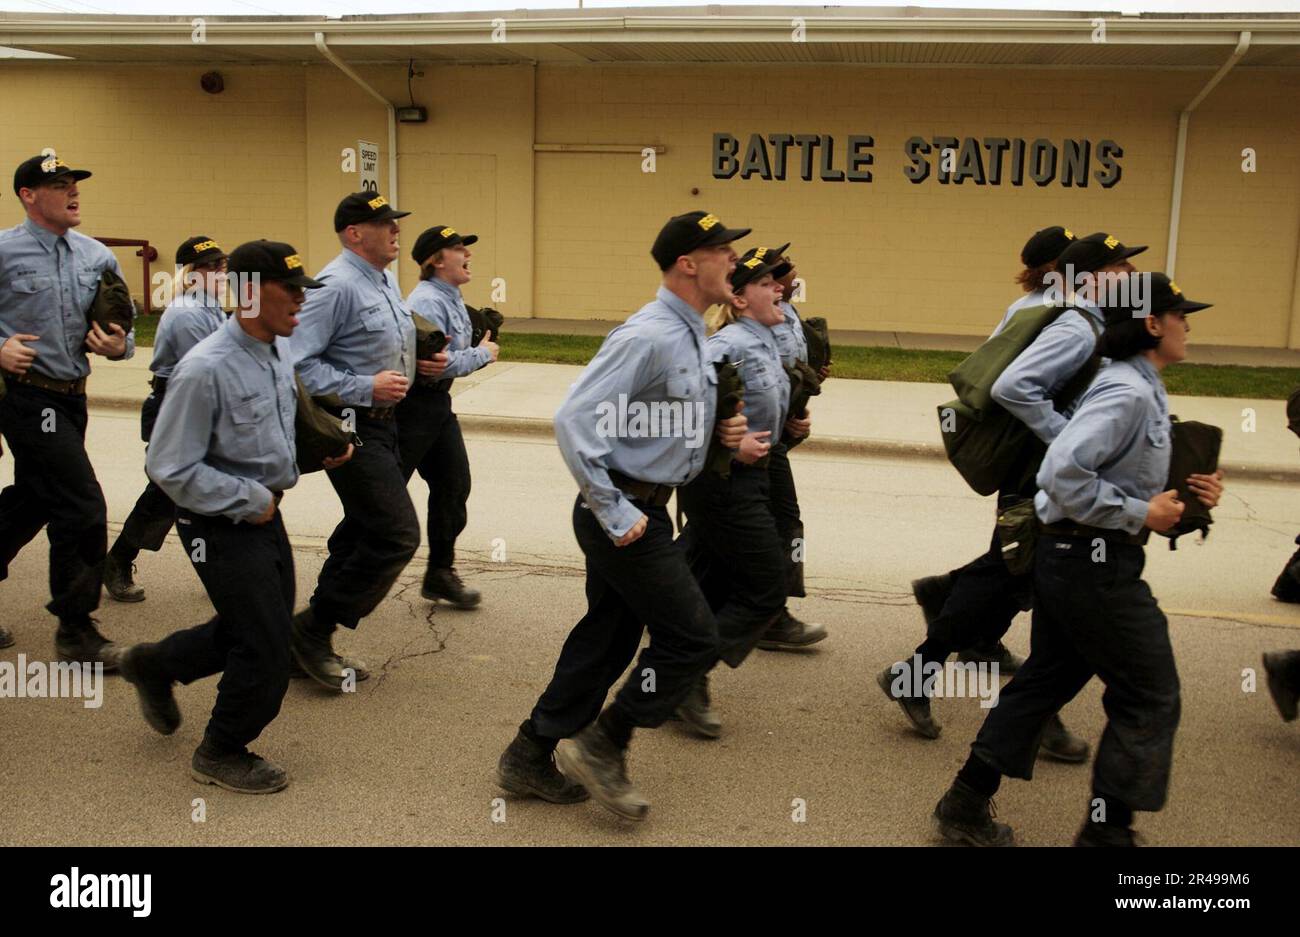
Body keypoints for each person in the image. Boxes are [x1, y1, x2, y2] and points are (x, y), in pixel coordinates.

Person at [932, 272, 1222, 846]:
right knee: (1149, 691)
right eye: (1180, 314)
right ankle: (1107, 835)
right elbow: (1061, 474)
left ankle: (964, 802)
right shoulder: (1126, 391)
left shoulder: (1138, 383)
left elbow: (1118, 470)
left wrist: (1187, 502)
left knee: (1044, 680)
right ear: (1151, 323)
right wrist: (1140, 513)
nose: (1188, 324)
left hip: (1077, 558)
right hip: (1095, 566)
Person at [495, 210, 749, 820]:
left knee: (606, 642)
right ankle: (604, 743)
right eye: (724, 251)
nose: (735, 261)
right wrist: (612, 509)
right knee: (692, 638)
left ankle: (529, 754)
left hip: (646, 506)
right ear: (689, 263)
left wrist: (719, 433)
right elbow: (575, 420)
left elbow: (652, 417)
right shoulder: (648, 335)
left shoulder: (693, 331)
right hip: (624, 511)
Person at [881, 230, 1142, 758]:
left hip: (1050, 476)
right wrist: (1067, 437)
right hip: (1039, 476)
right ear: (1089, 278)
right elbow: (1013, 386)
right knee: (1015, 576)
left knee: (1024, 583)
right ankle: (935, 671)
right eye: (1120, 269)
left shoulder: (1091, 323)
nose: (1131, 277)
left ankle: (950, 671)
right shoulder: (1075, 327)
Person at [119, 240, 351, 793]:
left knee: (247, 626)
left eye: (303, 289)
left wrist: (317, 451)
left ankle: (153, 664)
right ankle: (222, 749)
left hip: (263, 513)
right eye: (289, 289)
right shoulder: (205, 368)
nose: (301, 299)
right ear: (248, 292)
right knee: (269, 646)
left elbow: (270, 431)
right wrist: (251, 501)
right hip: (217, 523)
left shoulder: (275, 349)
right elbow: (169, 466)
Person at [0, 154, 134, 664]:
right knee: (82, 506)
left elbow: (122, 323)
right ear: (28, 195)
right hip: (26, 395)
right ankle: (76, 632)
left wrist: (117, 344)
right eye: (58, 184)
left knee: (36, 499)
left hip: (73, 398)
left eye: (75, 182)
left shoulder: (95, 256)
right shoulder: (5, 251)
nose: (73, 191)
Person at [289, 192, 419, 690]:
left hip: (387, 422)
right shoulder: (335, 285)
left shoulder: (383, 280)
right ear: (353, 233)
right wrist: (364, 387)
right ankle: (311, 631)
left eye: (393, 222)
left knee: (365, 531)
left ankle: (305, 638)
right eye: (382, 223)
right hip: (350, 424)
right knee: (395, 534)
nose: (394, 230)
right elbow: (298, 364)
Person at [673, 248, 807, 738]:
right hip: (722, 480)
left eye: (778, 281)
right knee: (766, 585)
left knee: (712, 578)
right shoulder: (727, 344)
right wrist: (727, 438)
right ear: (741, 298)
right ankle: (680, 675)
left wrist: (791, 427)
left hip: (752, 474)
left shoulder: (766, 339)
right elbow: (680, 405)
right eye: (768, 283)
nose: (780, 288)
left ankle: (671, 672)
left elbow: (758, 409)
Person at [104, 236, 229, 602]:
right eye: (213, 267)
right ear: (192, 275)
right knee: (172, 493)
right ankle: (118, 560)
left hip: (194, 407)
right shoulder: (188, 314)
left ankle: (221, 567)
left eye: (223, 267)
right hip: (177, 409)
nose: (222, 274)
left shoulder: (210, 309)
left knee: (194, 490)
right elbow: (211, 371)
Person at [397, 224, 499, 609]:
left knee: (454, 487)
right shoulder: (427, 301)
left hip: (437, 408)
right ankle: (340, 575)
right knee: (383, 502)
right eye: (459, 249)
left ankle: (440, 572)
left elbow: (448, 354)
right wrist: (482, 354)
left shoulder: (451, 297)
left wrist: (475, 340)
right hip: (411, 408)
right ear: (437, 261)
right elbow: (431, 366)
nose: (468, 255)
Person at [752, 244, 827, 651]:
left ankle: (660, 596)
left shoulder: (787, 309)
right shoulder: (750, 325)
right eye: (783, 273)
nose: (794, 276)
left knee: (718, 531)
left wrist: (810, 382)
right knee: (783, 521)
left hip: (778, 428)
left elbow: (790, 367)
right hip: (759, 437)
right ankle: (772, 617)